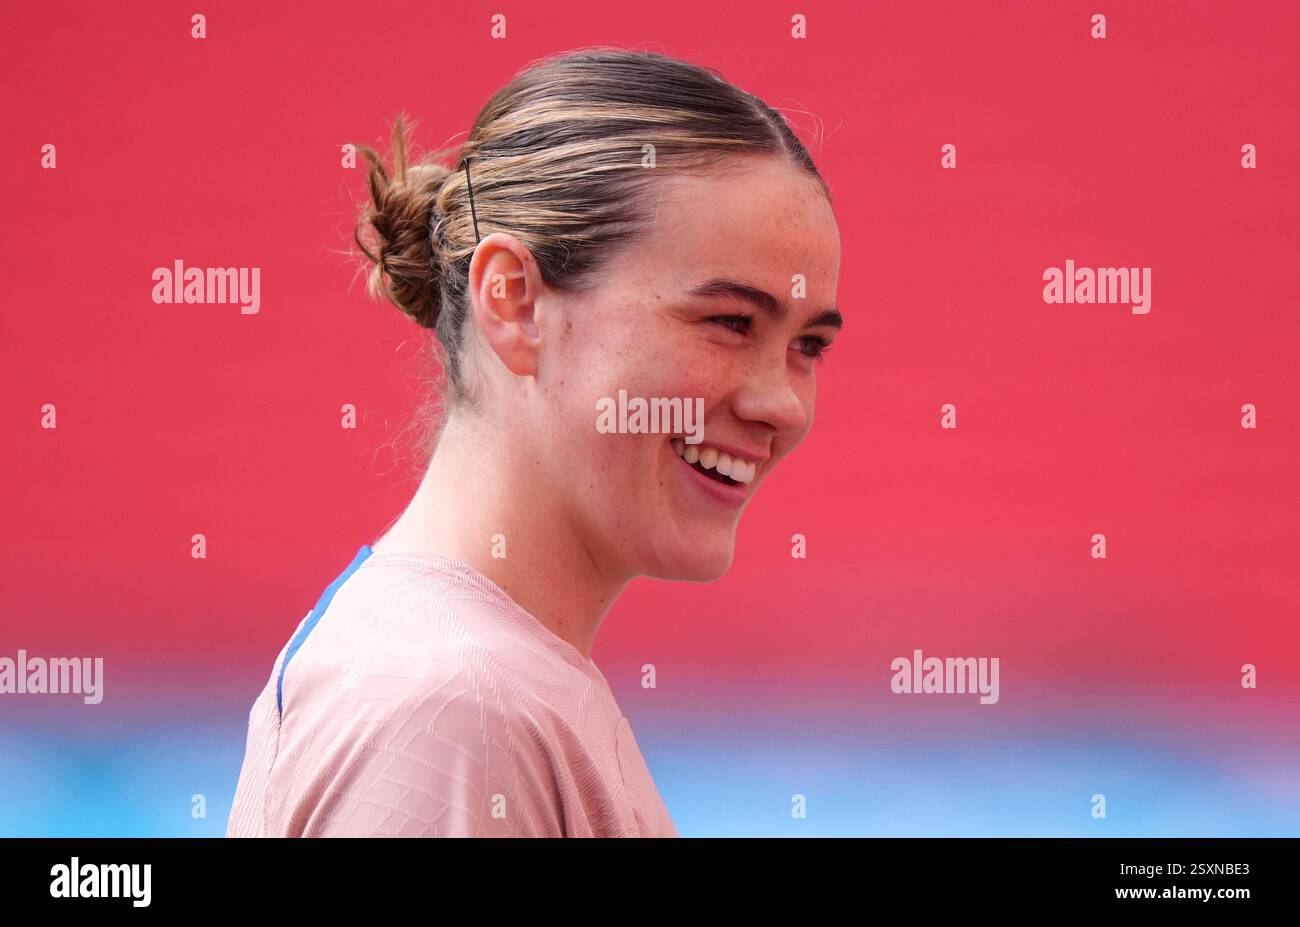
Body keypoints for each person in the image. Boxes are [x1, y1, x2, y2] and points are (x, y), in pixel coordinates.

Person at [226, 46, 842, 837]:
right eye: (728, 322)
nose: (781, 403)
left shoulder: (486, 684)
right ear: (513, 303)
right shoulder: (455, 712)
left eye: (809, 346)